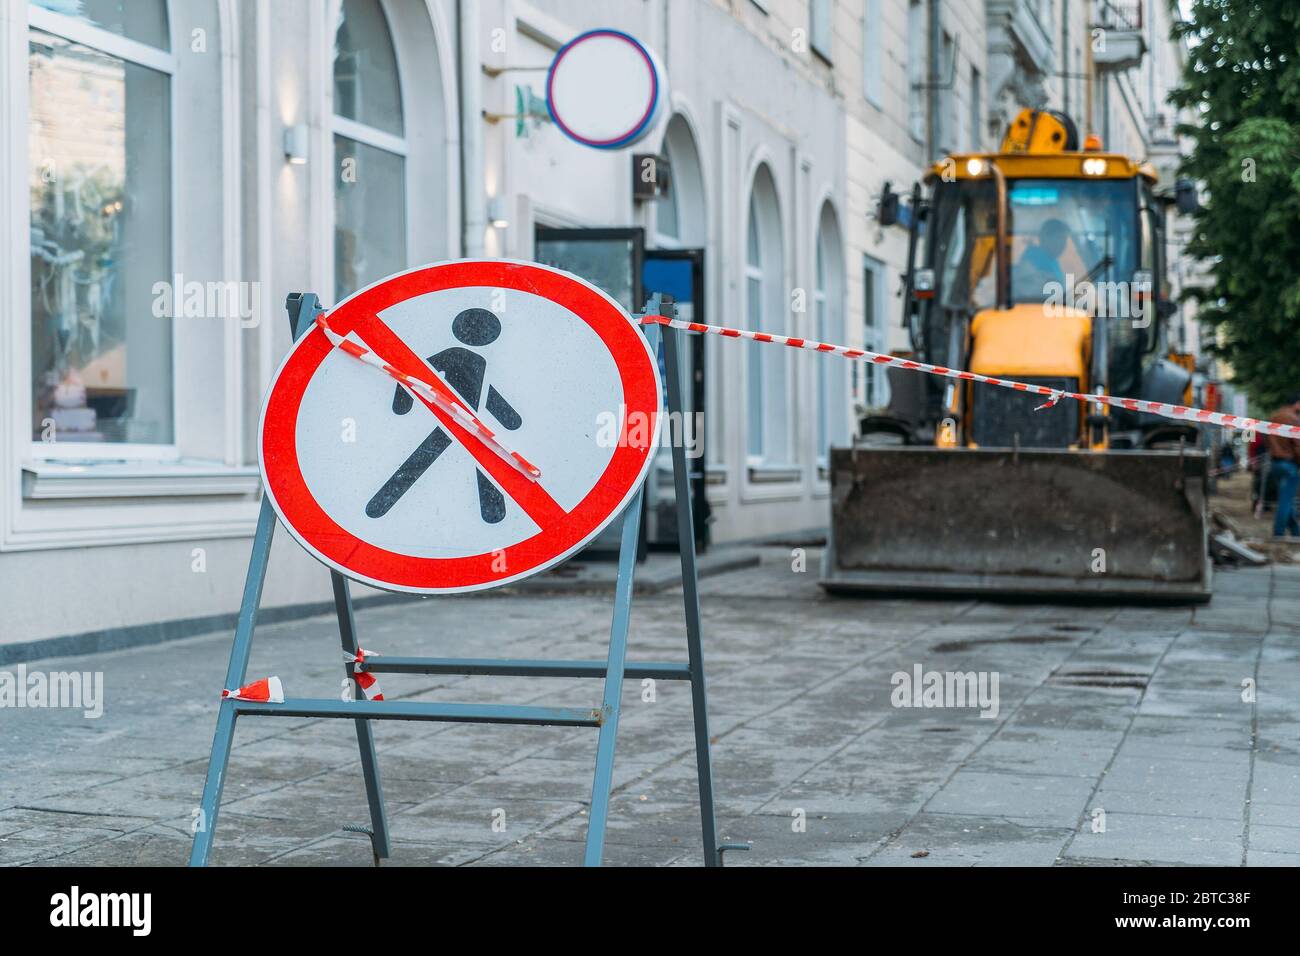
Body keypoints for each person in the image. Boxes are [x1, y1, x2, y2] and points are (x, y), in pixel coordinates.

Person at [1266, 395, 1300, 537]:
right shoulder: (1294, 419)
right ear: (1297, 403)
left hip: (1275, 463)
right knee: (1286, 501)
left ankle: (1295, 532)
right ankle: (1278, 533)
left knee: (1286, 498)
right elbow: (1298, 446)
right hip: (1289, 465)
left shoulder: (1274, 417)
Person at [1014, 218, 1070, 300]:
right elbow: (1033, 296)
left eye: (1064, 239)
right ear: (1044, 238)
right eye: (1059, 238)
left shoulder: (1052, 261)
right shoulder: (1030, 263)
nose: (1063, 243)